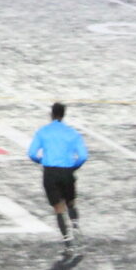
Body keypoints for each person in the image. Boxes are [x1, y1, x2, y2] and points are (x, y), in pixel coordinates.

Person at [25, 102, 89, 251]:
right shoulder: (72, 133)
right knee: (71, 202)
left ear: (51, 114)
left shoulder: (43, 132)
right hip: (67, 171)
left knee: (58, 208)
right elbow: (83, 156)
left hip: (50, 172)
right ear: (63, 114)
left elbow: (32, 153)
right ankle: (75, 224)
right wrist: (74, 166)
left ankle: (67, 241)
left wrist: (42, 161)